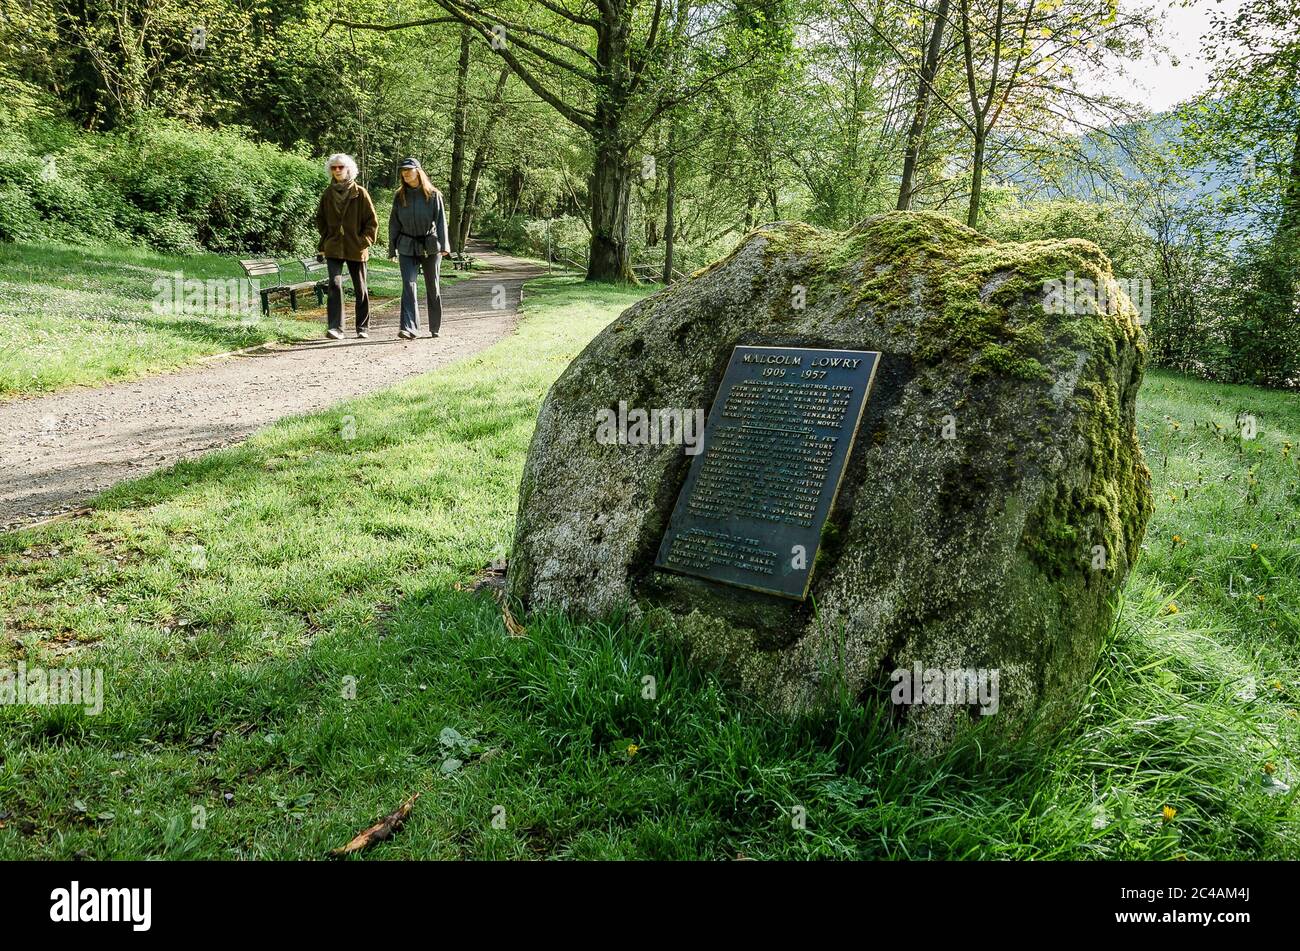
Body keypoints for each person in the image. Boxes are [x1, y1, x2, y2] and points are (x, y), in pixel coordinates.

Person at [387, 157, 452, 339]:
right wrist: (392, 248)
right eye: (403, 170)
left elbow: (441, 221)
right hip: (407, 246)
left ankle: (435, 327)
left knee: (433, 287)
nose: (406, 173)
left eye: (409, 169)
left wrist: (444, 246)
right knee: (408, 285)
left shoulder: (433, 195)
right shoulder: (399, 196)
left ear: (418, 171)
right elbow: (394, 223)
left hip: (430, 246)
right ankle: (409, 328)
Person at [315, 153, 378, 340]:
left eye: (340, 167)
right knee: (334, 284)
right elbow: (321, 219)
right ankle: (336, 328)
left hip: (355, 247)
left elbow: (372, 222)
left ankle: (362, 327)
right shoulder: (327, 194)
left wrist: (363, 241)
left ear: (348, 169)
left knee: (360, 288)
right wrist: (326, 239)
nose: (336, 170)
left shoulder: (360, 193)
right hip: (334, 246)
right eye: (333, 167)